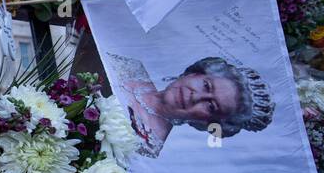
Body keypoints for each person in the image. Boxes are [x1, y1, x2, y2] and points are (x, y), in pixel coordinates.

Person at [105, 53, 274, 158]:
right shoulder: (129, 67)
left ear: (207, 122)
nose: (196, 96)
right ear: (195, 73)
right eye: (206, 85)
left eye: (211, 106)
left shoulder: (147, 145)